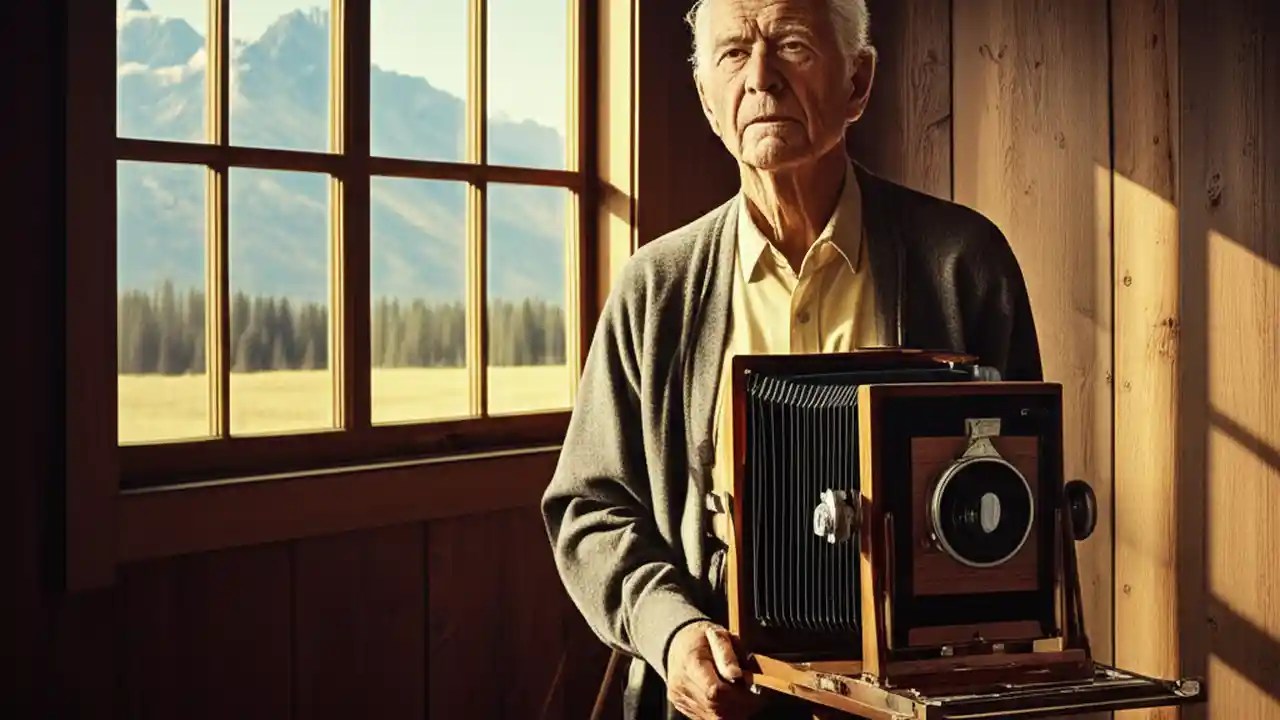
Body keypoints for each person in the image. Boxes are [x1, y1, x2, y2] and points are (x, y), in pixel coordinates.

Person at [541, 0, 1043, 717]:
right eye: (733, 54)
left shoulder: (965, 265)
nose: (761, 79)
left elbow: (1021, 506)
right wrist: (672, 631)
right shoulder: (655, 290)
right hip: (723, 692)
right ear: (708, 102)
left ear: (859, 81)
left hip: (923, 693)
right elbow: (589, 508)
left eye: (794, 46)